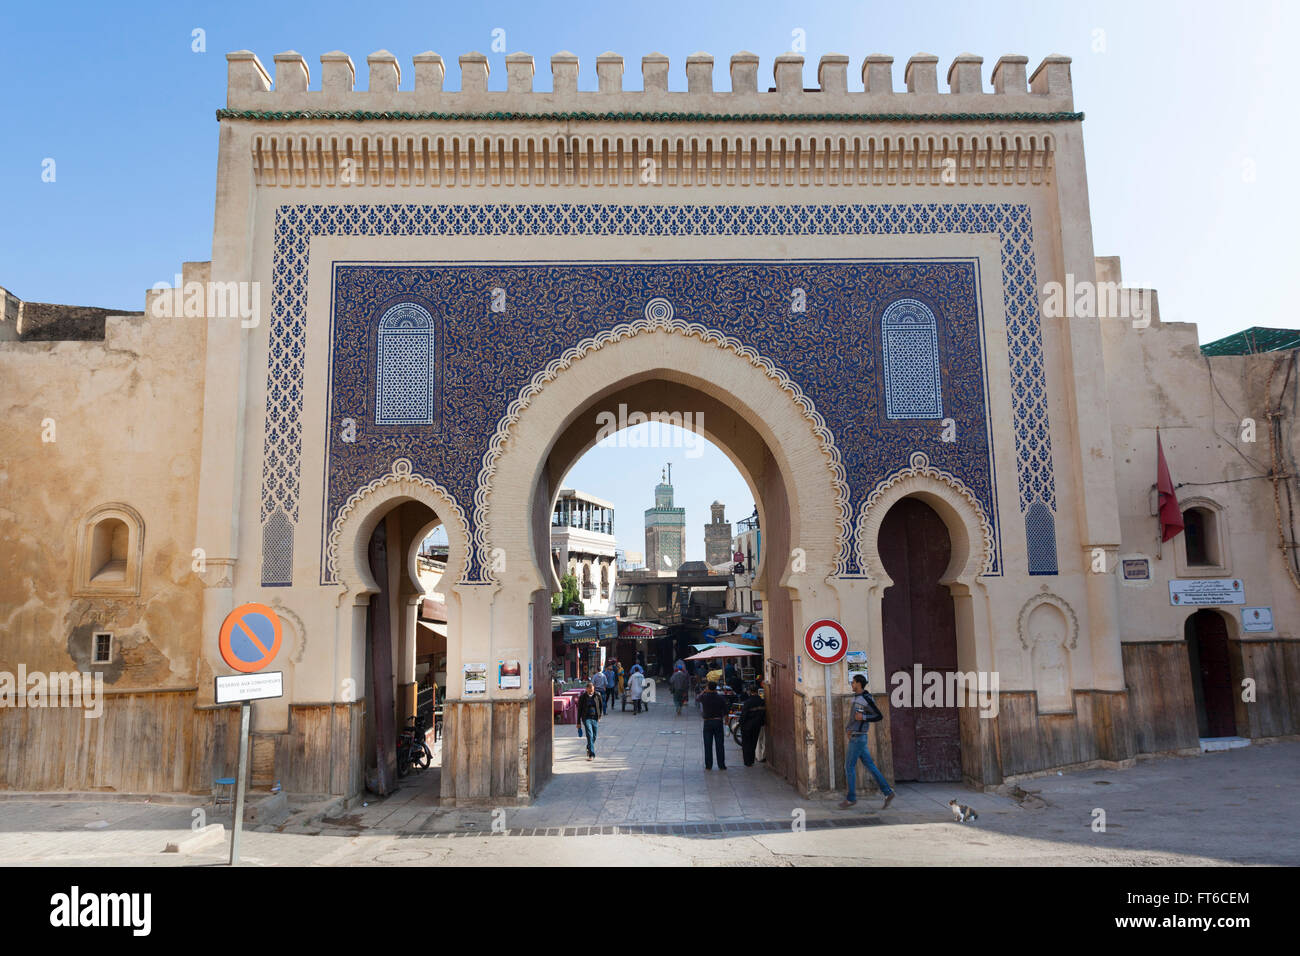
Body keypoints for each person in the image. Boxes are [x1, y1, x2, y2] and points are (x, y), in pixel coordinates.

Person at [840, 674, 894, 810]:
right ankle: (888, 792)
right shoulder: (857, 698)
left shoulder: (866, 698)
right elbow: (854, 718)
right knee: (870, 765)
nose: (851, 684)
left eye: (853, 682)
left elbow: (878, 715)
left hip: (858, 737)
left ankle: (851, 798)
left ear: (858, 684)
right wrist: (849, 729)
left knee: (849, 767)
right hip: (858, 737)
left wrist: (862, 717)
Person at [698, 681, 728, 770]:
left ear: (707, 688)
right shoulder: (720, 698)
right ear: (715, 688)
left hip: (707, 723)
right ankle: (721, 765)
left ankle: (708, 765)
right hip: (718, 722)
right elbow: (726, 711)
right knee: (720, 745)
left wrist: (704, 690)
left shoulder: (704, 697)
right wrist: (726, 721)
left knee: (707, 745)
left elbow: (698, 697)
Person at [739, 684, 766, 766]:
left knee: (746, 743)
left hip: (747, 726)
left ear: (750, 692)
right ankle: (751, 760)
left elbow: (744, 715)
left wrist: (741, 723)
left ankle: (747, 761)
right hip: (757, 725)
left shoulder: (748, 702)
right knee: (753, 743)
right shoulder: (761, 701)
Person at [576, 681, 601, 760]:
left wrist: (599, 716)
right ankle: (591, 754)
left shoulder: (597, 695)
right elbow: (579, 710)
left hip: (595, 717)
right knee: (589, 735)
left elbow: (601, 706)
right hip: (586, 718)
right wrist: (578, 722)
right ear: (586, 689)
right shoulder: (582, 697)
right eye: (590, 690)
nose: (591, 691)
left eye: (592, 690)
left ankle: (588, 746)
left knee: (594, 736)